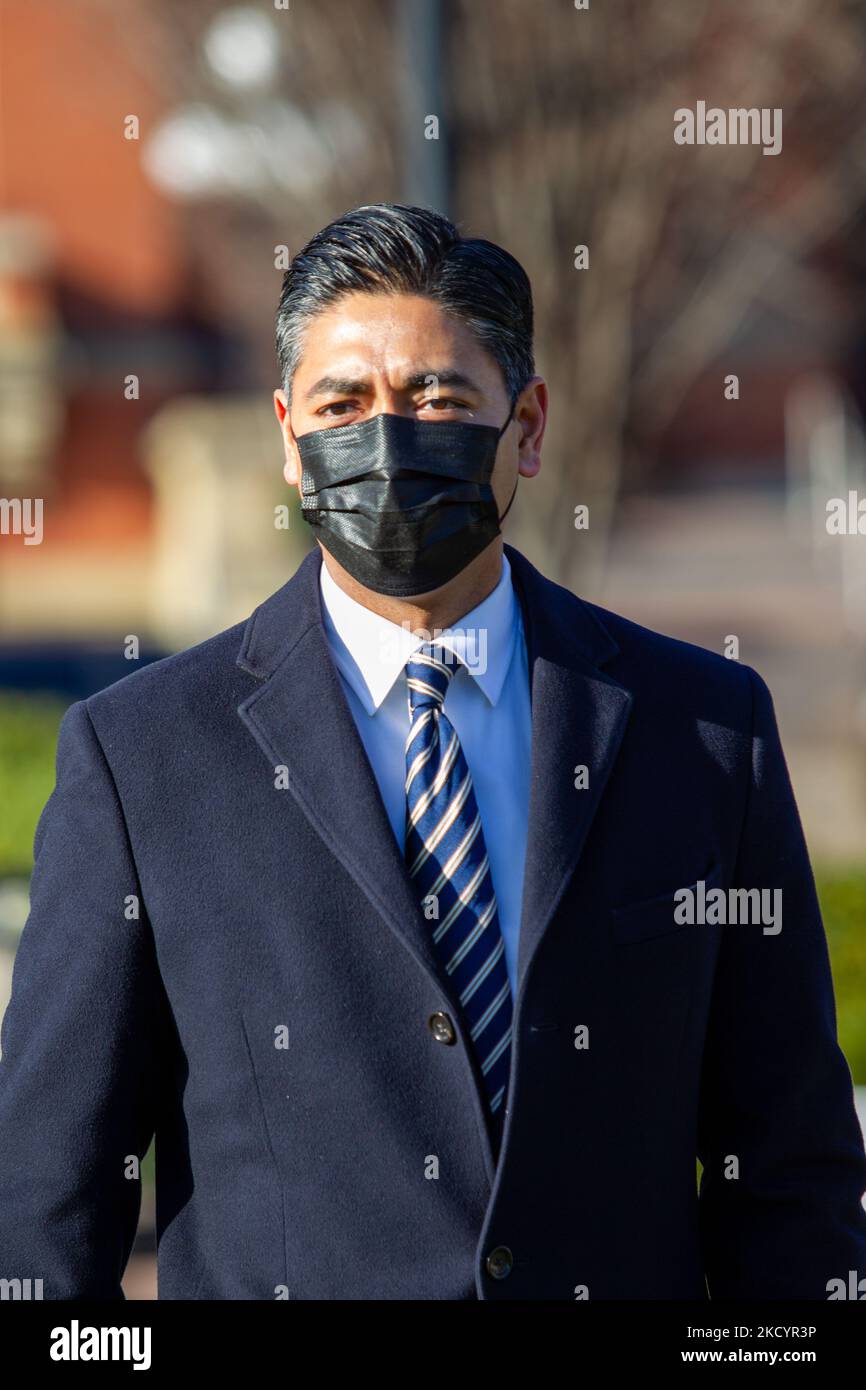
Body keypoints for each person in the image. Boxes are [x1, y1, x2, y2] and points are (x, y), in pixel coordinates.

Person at [1, 202, 864, 1301]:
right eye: (342, 403)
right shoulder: (144, 759)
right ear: (286, 436)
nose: (388, 439)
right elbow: (43, 1204)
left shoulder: (701, 730)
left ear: (529, 425)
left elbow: (789, 1170)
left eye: (437, 399)